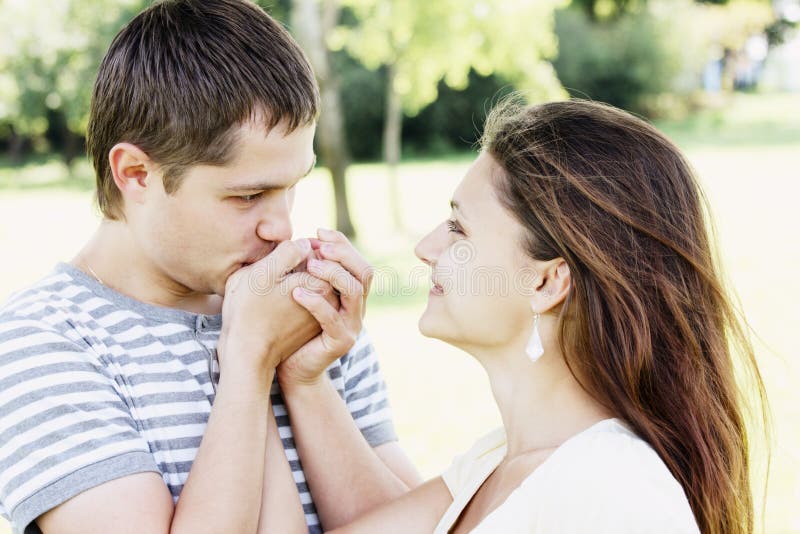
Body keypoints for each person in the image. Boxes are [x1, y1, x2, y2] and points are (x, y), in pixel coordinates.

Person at [0, 1, 420, 533]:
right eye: (248, 196)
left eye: (293, 187)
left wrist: (305, 376)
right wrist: (248, 361)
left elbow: (411, 523)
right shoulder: (43, 342)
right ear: (136, 174)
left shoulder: (307, 312)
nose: (282, 229)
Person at [292, 99, 768, 533]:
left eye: (459, 229)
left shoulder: (616, 494)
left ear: (546, 283)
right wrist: (301, 376)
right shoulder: (496, 462)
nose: (426, 249)